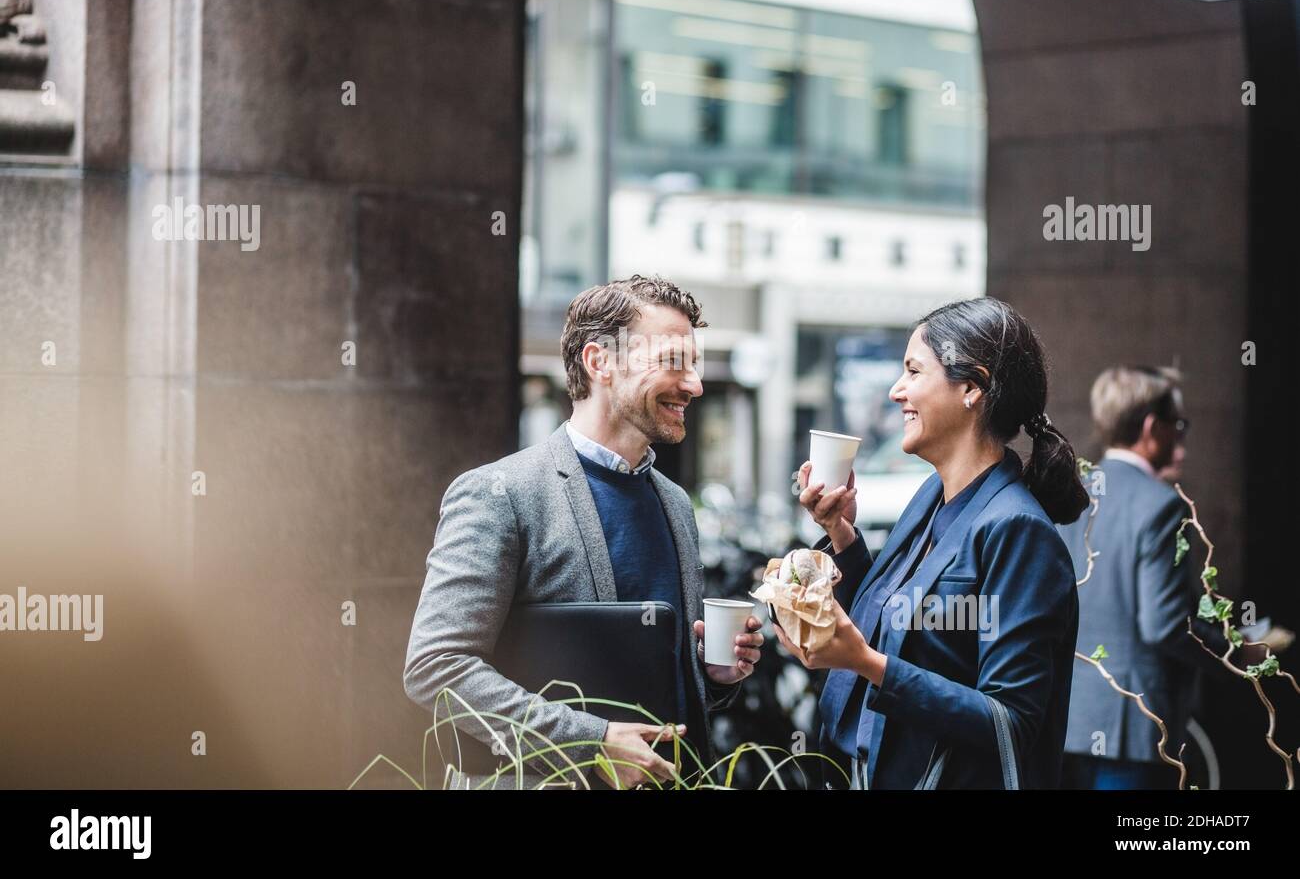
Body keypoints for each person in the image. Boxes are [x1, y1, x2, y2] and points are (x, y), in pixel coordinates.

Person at [404, 275, 762, 789]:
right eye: (672, 361)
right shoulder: (499, 493)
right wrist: (590, 743)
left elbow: (648, 692)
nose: (694, 385)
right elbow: (436, 667)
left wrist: (708, 677)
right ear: (600, 363)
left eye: (695, 365)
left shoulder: (676, 504)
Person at [777, 296, 1086, 789]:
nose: (897, 391)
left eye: (914, 371)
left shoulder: (1016, 529)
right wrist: (841, 533)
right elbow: (895, 619)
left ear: (971, 387)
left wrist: (866, 663)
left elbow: (1010, 722)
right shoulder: (931, 498)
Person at [1059, 366, 1243, 789]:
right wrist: (1233, 654)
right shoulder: (1162, 506)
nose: (1181, 436)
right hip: (1132, 727)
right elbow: (1163, 626)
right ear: (1150, 427)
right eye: (1177, 424)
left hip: (1066, 720)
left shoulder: (1069, 492)